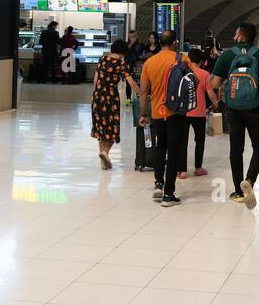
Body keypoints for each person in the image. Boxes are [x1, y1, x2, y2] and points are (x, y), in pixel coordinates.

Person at [207, 22, 259, 208]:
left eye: (235, 34)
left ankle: (238, 192)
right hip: (256, 109)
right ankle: (250, 180)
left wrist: (226, 78)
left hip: (234, 110)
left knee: (236, 149)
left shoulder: (227, 55)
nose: (233, 37)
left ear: (240, 37)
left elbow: (214, 83)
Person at [138, 30, 192, 207]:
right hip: (176, 112)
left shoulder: (149, 62)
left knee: (160, 146)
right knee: (174, 150)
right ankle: (169, 194)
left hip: (157, 113)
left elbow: (144, 92)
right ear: (175, 42)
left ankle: (158, 184)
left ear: (159, 42)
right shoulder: (183, 59)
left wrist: (143, 113)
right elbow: (189, 85)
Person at [91, 40, 141, 169]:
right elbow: (132, 83)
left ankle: (103, 161)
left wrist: (95, 94)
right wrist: (141, 94)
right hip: (111, 98)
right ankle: (105, 153)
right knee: (112, 129)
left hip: (97, 96)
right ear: (124, 52)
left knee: (101, 128)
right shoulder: (121, 63)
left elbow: (95, 79)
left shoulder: (103, 59)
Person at [183, 47, 212, 177]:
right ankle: (198, 168)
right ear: (201, 60)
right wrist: (216, 103)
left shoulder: (182, 72)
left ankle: (182, 171)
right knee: (199, 140)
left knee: (181, 141)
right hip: (199, 112)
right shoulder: (205, 74)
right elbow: (210, 92)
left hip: (183, 112)